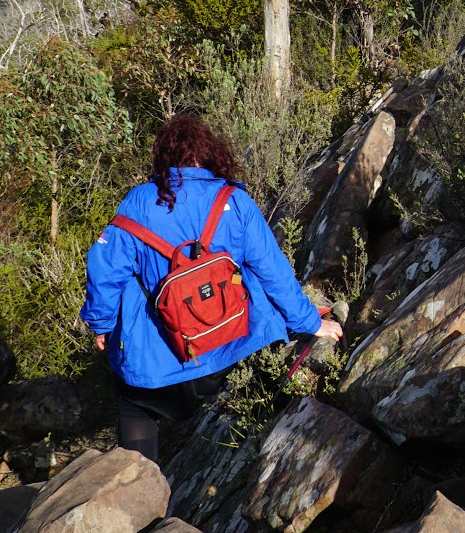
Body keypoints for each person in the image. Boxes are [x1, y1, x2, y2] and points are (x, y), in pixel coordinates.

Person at [80, 113, 343, 460]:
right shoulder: (234, 201)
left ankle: (141, 490)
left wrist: (102, 325)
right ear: (210, 154)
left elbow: (104, 270)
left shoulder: (138, 202)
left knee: (133, 403)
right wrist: (311, 323)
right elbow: (273, 270)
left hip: (157, 362)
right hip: (226, 344)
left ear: (164, 158)